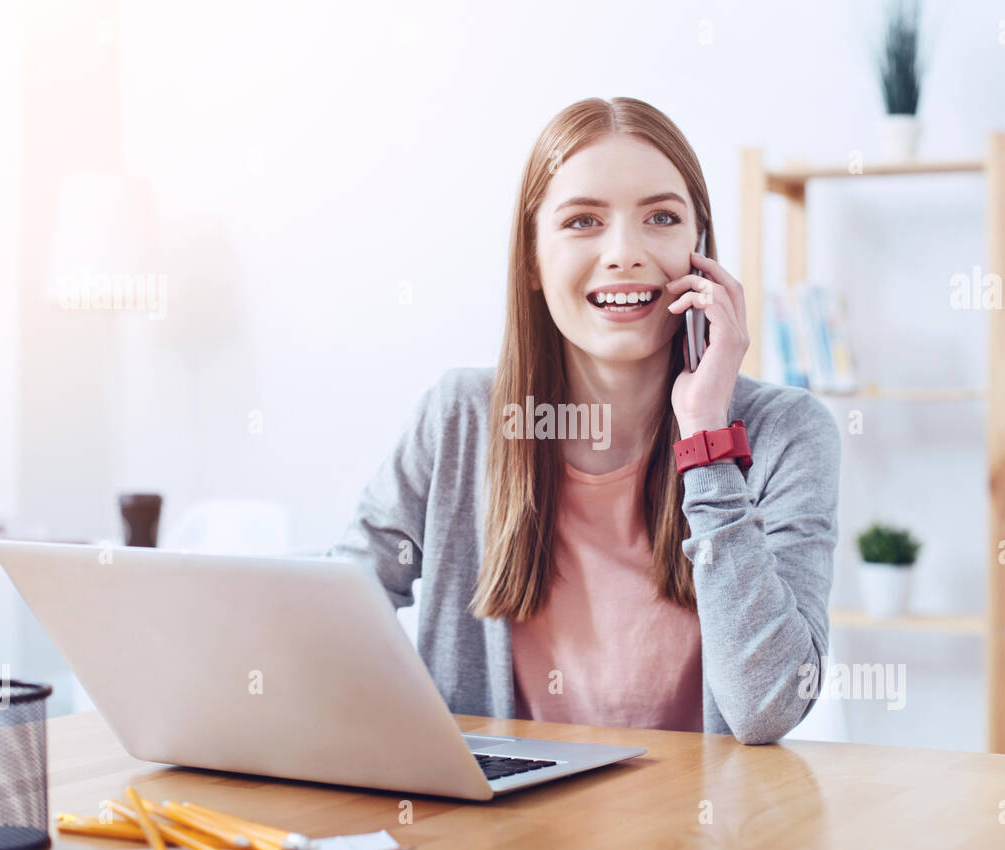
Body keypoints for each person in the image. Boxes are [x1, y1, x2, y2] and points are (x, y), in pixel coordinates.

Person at [326, 97, 841, 745]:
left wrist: (706, 439)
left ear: (700, 252)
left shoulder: (787, 432)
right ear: (532, 262)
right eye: (583, 222)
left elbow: (767, 705)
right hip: (498, 835)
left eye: (660, 217)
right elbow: (336, 604)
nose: (624, 252)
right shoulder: (461, 417)